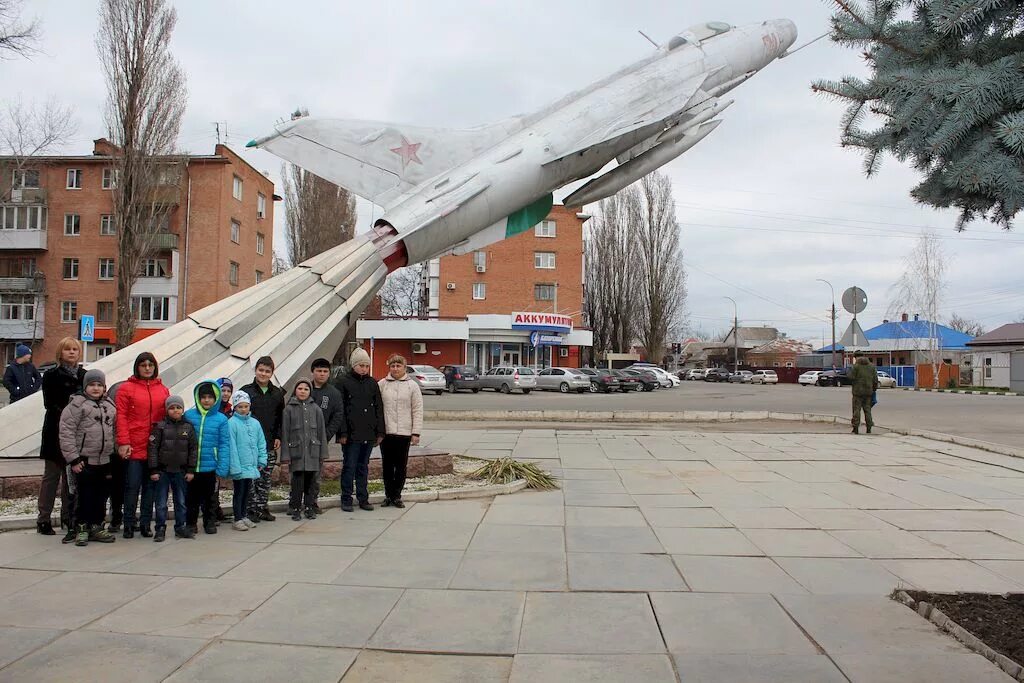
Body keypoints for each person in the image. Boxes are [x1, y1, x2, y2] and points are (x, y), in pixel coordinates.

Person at [58, 369, 117, 546]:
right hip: (84, 460)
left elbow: (115, 430)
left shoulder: (110, 406)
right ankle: (81, 528)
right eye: (92, 385)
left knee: (101, 496)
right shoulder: (76, 406)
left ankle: (97, 526)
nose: (96, 388)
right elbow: (66, 433)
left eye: (99, 385)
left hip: (105, 459)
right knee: (84, 496)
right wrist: (73, 459)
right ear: (85, 387)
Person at [115, 352, 169, 539]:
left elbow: (166, 418)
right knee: (132, 487)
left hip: (154, 447)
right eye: (143, 365)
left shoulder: (163, 389)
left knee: (150, 487)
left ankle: (146, 523)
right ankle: (129, 524)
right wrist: (124, 442)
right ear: (137, 367)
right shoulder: (126, 388)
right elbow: (121, 417)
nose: (147, 368)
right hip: (134, 445)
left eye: (150, 365)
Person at [37, 337, 86, 539]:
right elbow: (49, 403)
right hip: (55, 430)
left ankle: (68, 516)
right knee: (51, 477)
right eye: (67, 349)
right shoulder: (51, 375)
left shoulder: (84, 375)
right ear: (60, 353)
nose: (72, 352)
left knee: (70, 478)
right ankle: (44, 519)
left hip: (76, 434)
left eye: (75, 349)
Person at [337, 348, 385, 512]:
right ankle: (346, 499)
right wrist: (342, 433)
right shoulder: (343, 382)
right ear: (354, 365)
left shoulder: (372, 383)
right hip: (351, 435)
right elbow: (340, 410)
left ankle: (363, 498)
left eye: (366, 366)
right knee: (349, 466)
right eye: (361, 366)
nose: (364, 369)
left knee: (363, 467)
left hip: (368, 433)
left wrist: (380, 432)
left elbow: (378, 408)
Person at [240, 356, 285, 523]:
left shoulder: (277, 394)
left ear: (272, 373)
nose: (263, 374)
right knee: (252, 478)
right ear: (255, 370)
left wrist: (278, 436)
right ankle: (251, 509)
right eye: (261, 370)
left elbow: (280, 417)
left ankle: (263, 507)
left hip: (269, 443)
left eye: (267, 371)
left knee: (265, 479)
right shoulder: (246, 391)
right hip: (250, 444)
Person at [183, 380, 231, 535]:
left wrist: (222, 467)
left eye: (210, 397)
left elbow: (224, 444)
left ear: (215, 399)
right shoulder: (189, 416)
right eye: (203, 397)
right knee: (191, 498)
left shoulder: (221, 419)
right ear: (198, 398)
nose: (206, 400)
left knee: (210, 498)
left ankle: (209, 522)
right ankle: (191, 523)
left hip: (210, 466)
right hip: (192, 467)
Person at [148, 395, 198, 541]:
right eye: (172, 408)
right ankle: (160, 528)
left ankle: (180, 527)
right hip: (163, 471)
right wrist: (153, 469)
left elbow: (193, 449)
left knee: (181, 502)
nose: (175, 410)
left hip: (181, 471)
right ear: (166, 410)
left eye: (178, 407)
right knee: (161, 503)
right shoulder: (160, 427)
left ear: (183, 409)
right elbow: (152, 449)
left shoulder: (188, 427)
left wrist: (191, 469)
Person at [378, 354, 423, 508]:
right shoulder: (382, 384)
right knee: (387, 466)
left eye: (398, 366)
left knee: (401, 466)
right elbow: (377, 408)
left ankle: (397, 495)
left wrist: (416, 432)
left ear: (404, 367)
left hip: (404, 433)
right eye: (393, 366)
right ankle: (388, 495)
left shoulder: (412, 386)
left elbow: (417, 409)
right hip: (387, 433)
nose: (395, 369)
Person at [280, 378, 328, 521]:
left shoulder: (316, 409)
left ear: (310, 392)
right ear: (295, 390)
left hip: (313, 452)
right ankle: (295, 508)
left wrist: (322, 453)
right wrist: (285, 455)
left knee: (310, 483)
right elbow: (285, 433)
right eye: (300, 388)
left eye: (306, 389)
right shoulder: (289, 409)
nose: (302, 391)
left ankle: (309, 507)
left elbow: (321, 432)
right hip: (297, 453)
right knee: (297, 483)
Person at [224, 390, 266, 531]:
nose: (243, 409)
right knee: (239, 492)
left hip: (251, 465)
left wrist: (261, 460)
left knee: (247, 492)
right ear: (235, 407)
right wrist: (235, 467)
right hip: (239, 466)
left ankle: (243, 515)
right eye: (240, 406)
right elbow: (232, 447)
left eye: (246, 406)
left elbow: (261, 442)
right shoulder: (232, 423)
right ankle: (237, 518)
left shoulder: (255, 423)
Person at [308, 358, 343, 515]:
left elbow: (338, 415)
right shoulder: (304, 388)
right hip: (301, 439)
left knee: (315, 473)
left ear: (329, 373)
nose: (321, 374)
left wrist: (327, 434)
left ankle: (313, 501)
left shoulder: (333, 393)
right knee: (298, 473)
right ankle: (295, 502)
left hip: (320, 440)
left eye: (325, 371)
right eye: (319, 371)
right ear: (313, 372)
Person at [848, 351, 879, 434]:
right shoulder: (871, 366)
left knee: (856, 410)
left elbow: (851, 377)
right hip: (868, 392)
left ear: (855, 357)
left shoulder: (856, 366)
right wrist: (873, 389)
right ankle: (869, 428)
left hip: (857, 392)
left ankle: (855, 428)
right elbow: (875, 380)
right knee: (867, 410)